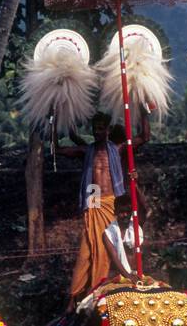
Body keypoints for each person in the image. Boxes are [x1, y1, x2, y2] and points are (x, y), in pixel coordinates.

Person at [56, 112, 149, 304]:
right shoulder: (86, 150)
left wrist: (143, 108)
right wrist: (56, 118)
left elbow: (144, 137)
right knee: (86, 250)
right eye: (94, 128)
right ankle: (76, 296)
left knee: (111, 247)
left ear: (107, 130)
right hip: (93, 198)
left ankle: (104, 287)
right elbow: (57, 149)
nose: (97, 132)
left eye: (100, 128)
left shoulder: (118, 148)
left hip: (111, 200)